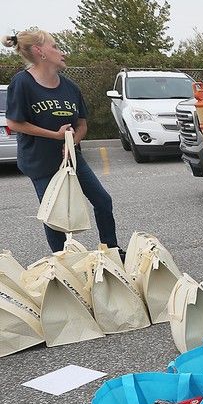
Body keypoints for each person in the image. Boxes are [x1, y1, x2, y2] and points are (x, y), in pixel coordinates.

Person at [3, 28, 120, 253]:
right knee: (55, 215)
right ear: (39, 51)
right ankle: (62, 261)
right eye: (55, 46)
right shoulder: (22, 83)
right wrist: (55, 136)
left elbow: (82, 125)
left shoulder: (70, 87)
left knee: (103, 201)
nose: (61, 51)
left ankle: (112, 250)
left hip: (72, 159)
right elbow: (15, 123)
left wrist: (71, 142)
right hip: (40, 162)